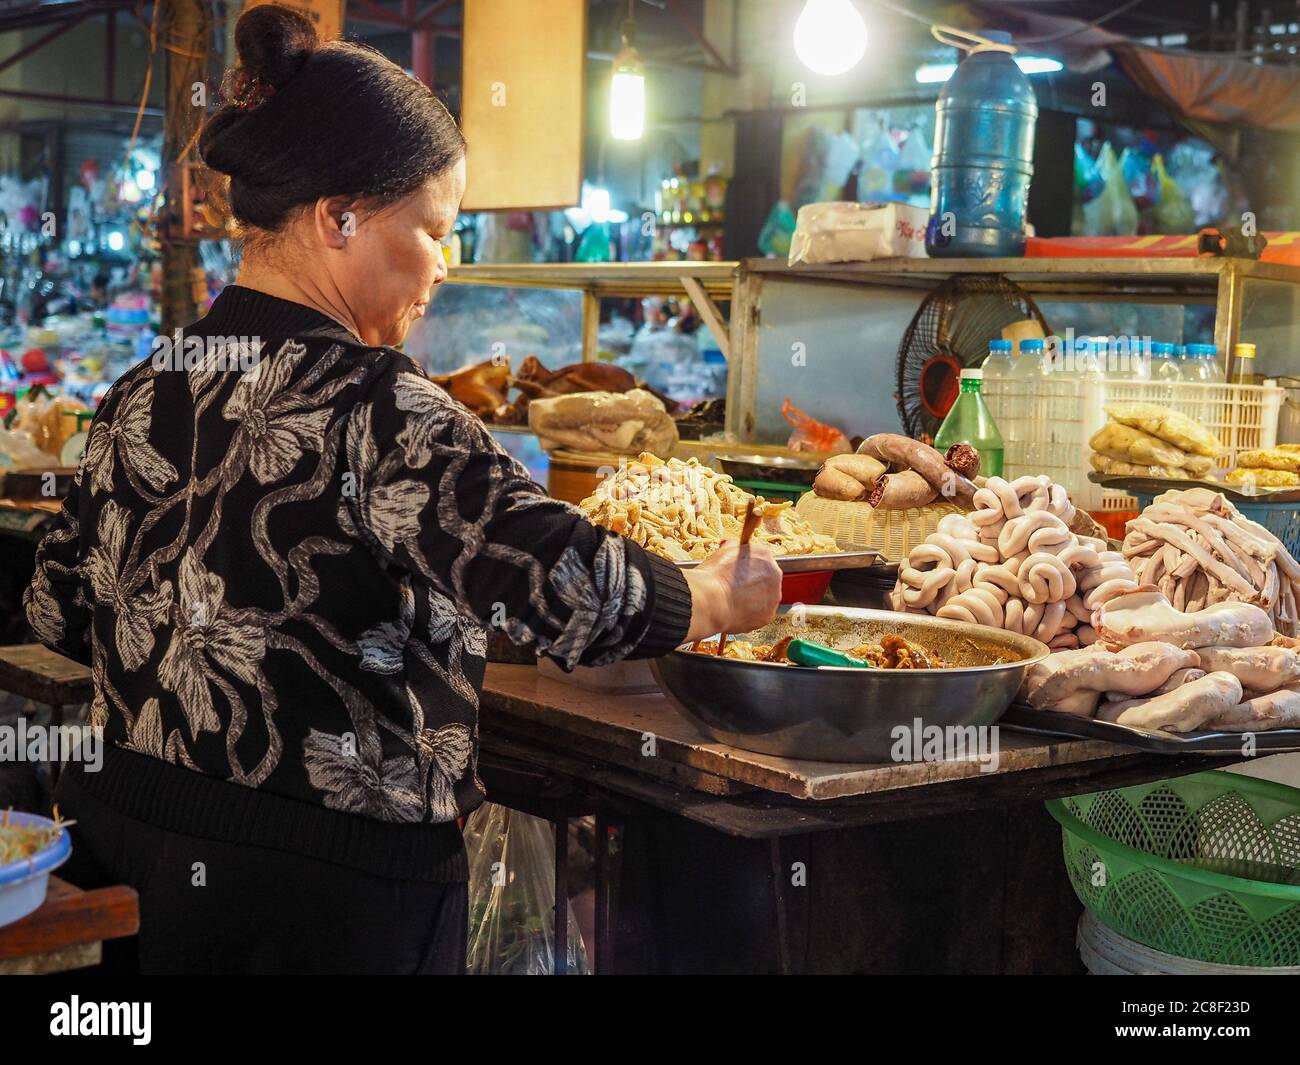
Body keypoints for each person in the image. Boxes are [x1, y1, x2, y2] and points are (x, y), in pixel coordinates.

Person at [24, 5, 781, 975]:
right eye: (434, 230)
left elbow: (54, 607)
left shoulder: (140, 391)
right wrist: (720, 593)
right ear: (339, 217)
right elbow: (575, 592)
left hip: (128, 861)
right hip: (322, 903)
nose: (446, 266)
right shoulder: (381, 409)